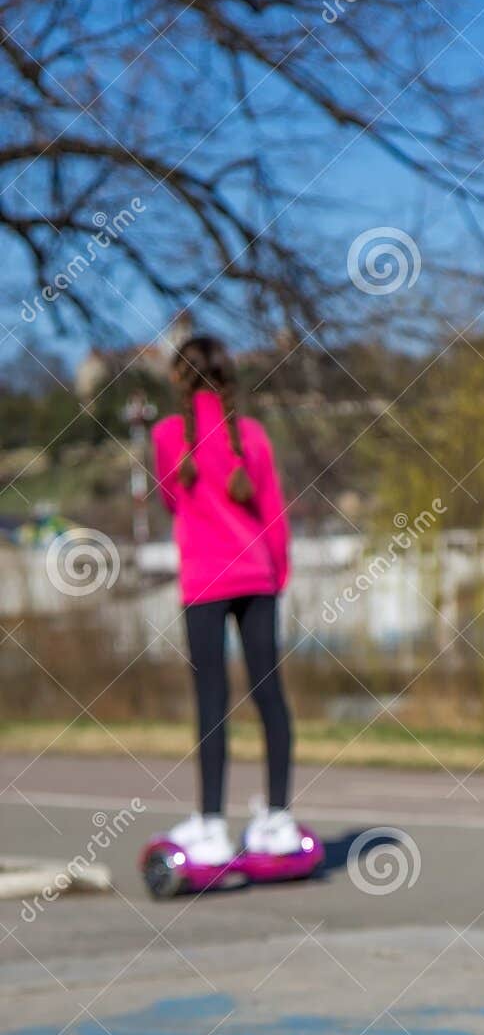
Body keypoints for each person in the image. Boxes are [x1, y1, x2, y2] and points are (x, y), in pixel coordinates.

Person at [151, 333, 302, 864]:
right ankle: (278, 819)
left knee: (211, 702)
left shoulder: (169, 435)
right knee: (271, 698)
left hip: (204, 582)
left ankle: (211, 825)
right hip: (257, 577)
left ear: (179, 379)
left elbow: (172, 500)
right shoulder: (253, 435)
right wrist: (277, 575)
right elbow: (275, 513)